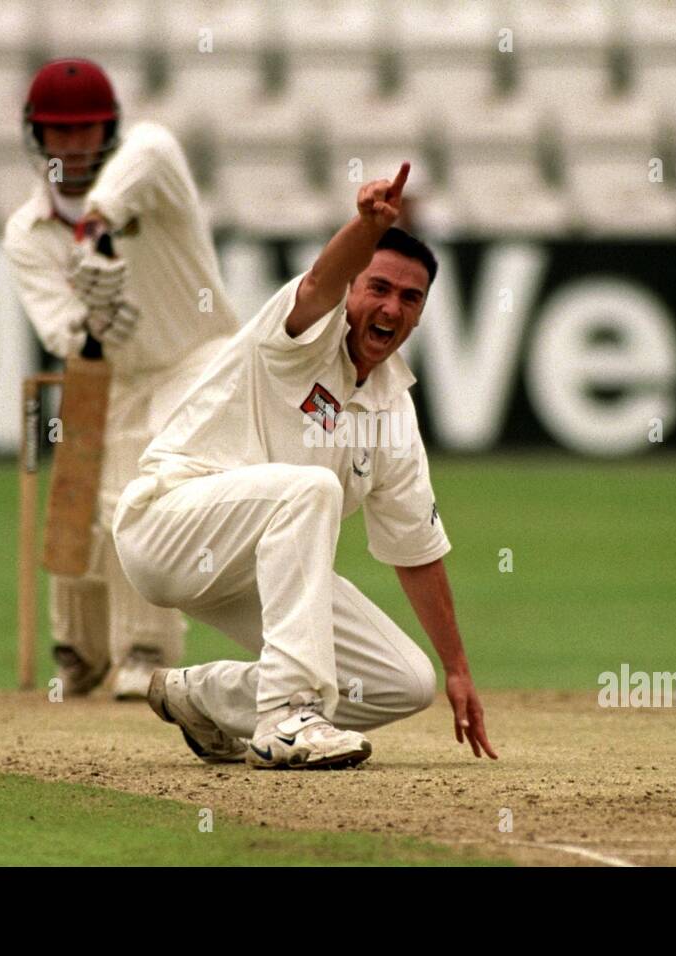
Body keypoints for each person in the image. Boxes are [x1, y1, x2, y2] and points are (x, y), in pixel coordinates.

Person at [113, 162, 497, 767]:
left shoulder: (393, 411)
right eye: (378, 287)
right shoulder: (300, 335)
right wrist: (366, 226)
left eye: (409, 297)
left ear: (422, 313)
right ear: (352, 292)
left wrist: (458, 670)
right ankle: (286, 717)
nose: (391, 308)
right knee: (311, 489)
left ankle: (204, 695)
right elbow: (321, 279)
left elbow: (416, 550)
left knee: (403, 680)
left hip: (249, 571)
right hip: (166, 525)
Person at [3, 58, 237, 700]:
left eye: (87, 130)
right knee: (83, 503)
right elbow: (62, 332)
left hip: (201, 359)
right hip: (109, 376)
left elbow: (153, 146)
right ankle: (81, 653)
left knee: (140, 494)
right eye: (59, 132)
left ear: (110, 128)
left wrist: (95, 224)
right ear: (37, 137)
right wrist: (98, 319)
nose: (74, 145)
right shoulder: (25, 232)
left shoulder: (151, 162)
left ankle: (145, 654)